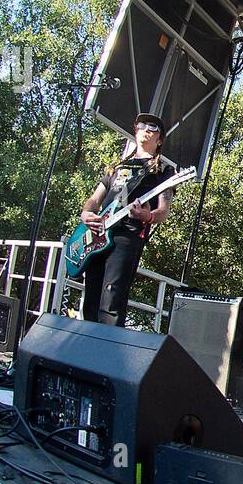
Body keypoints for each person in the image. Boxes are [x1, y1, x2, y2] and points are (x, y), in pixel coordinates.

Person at [77, 113, 176, 327]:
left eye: (153, 127)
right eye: (142, 125)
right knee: (91, 297)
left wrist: (147, 216)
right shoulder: (117, 166)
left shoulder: (164, 170)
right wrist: (86, 213)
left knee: (112, 298)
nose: (146, 129)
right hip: (98, 235)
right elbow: (95, 199)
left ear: (160, 140)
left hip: (127, 235)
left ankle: (106, 354)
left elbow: (163, 211)